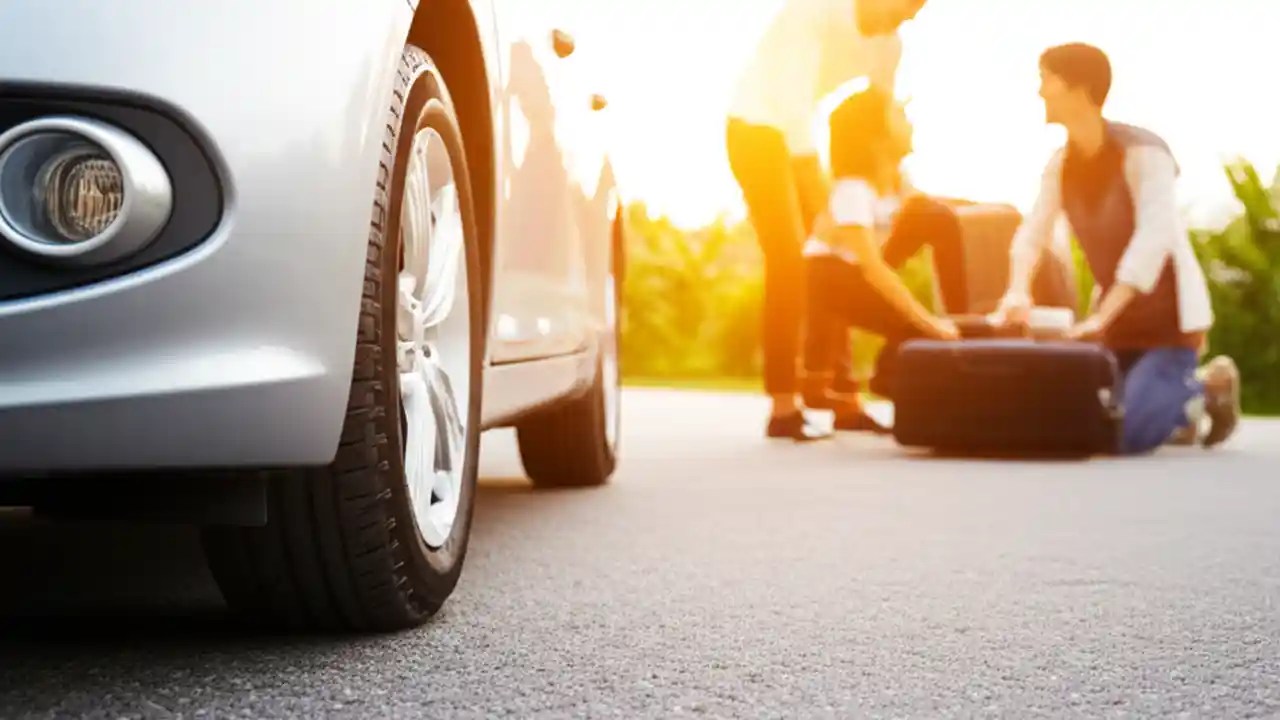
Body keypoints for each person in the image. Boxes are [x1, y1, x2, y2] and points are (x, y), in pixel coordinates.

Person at [995, 43, 1241, 453]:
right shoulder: (1061, 164)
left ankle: (1205, 388)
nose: (1040, 91)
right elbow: (1033, 233)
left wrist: (1103, 314)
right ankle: (1172, 409)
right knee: (1082, 419)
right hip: (1117, 332)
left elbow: (1154, 237)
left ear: (1080, 88)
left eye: (1047, 79)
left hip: (1169, 327)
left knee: (1124, 434)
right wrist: (1016, 291)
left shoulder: (1145, 153)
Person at [725, 0, 928, 441]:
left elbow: (882, 120)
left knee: (838, 256)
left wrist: (898, 185)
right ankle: (783, 407)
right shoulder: (812, 13)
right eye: (904, 7)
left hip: (798, 136)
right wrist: (823, 206)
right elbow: (795, 114)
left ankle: (842, 399)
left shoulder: (888, 41)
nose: (907, 17)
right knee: (789, 258)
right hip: (755, 129)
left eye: (916, 10)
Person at [801, 86, 966, 432]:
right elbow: (872, 268)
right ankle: (885, 381)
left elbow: (927, 208)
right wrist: (928, 322)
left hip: (848, 274)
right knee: (919, 332)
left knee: (936, 216)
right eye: (900, 116)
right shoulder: (853, 190)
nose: (910, 124)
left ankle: (873, 381)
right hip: (829, 276)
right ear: (876, 136)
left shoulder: (892, 184)